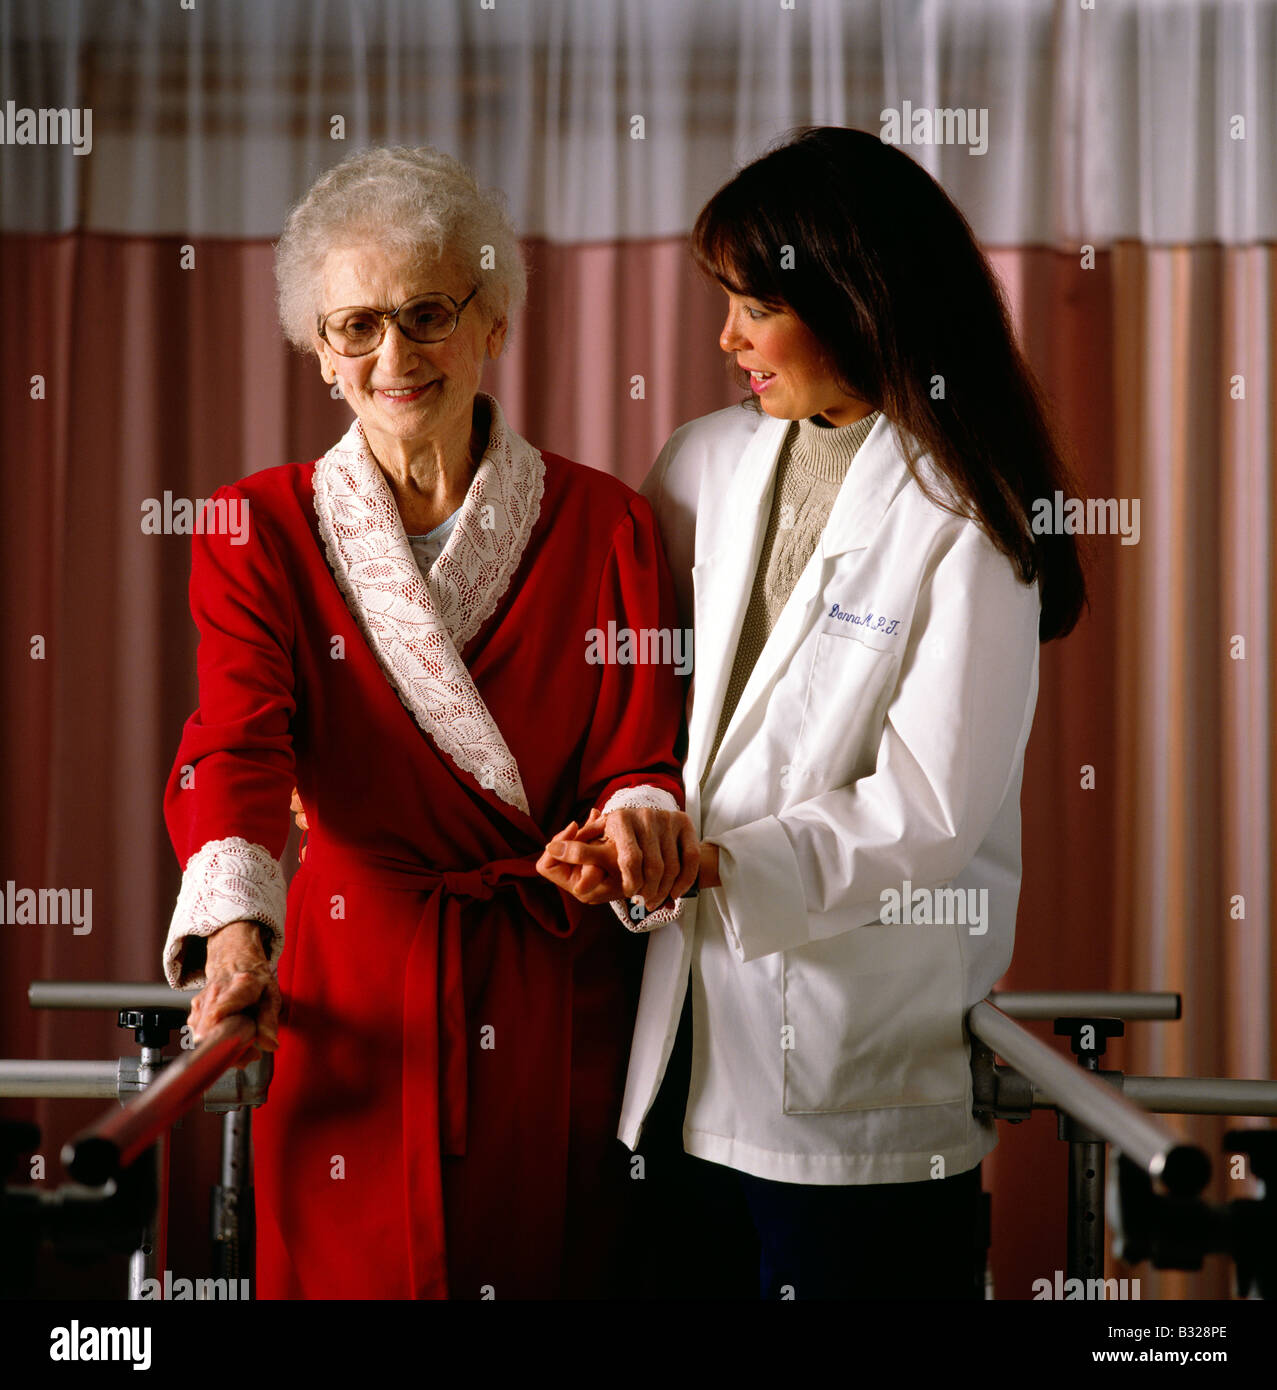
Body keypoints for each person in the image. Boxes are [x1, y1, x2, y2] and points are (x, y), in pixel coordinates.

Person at [539, 126, 1088, 1300]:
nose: (725, 337)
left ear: (854, 300)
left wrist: (711, 865)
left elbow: (926, 808)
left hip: (849, 1076)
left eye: (752, 306)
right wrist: (625, 823)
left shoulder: (965, 515)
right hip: (676, 1053)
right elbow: (642, 705)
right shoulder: (699, 463)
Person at [161, 145, 699, 1300]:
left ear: (492, 321)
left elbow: (638, 757)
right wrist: (235, 932)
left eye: (426, 313)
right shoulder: (255, 526)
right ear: (320, 353)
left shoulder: (608, 525)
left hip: (549, 982)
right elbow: (235, 742)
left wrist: (624, 835)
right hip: (351, 975)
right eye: (355, 326)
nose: (392, 356)